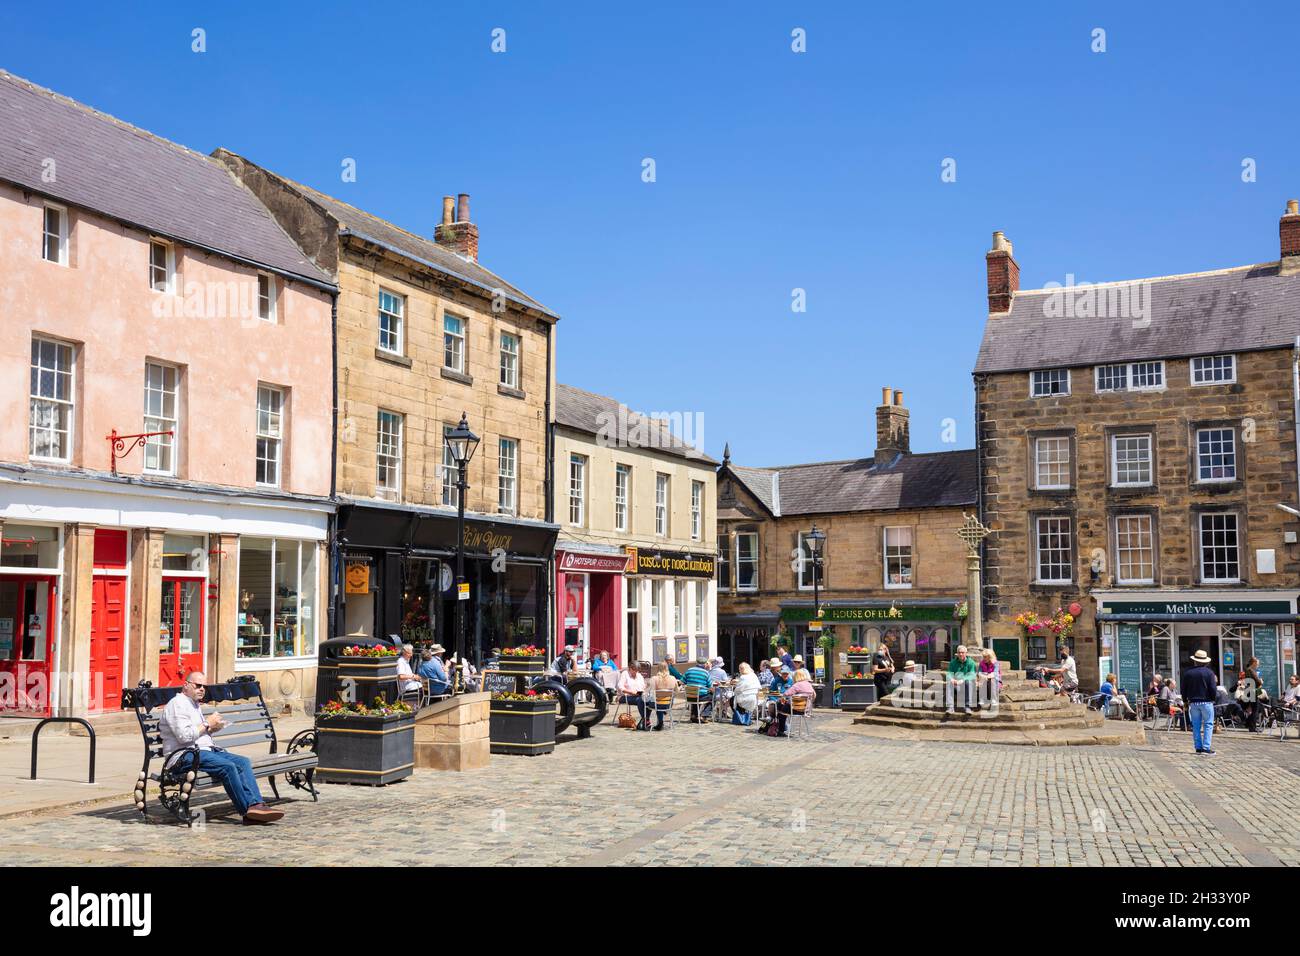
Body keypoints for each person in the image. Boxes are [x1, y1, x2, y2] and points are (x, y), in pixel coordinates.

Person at [159, 672, 283, 824]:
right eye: (198, 686)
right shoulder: (177, 704)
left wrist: (213, 728)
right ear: (186, 685)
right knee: (228, 767)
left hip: (202, 751)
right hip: (183, 756)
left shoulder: (193, 704)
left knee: (243, 762)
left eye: (204, 686)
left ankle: (256, 804)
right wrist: (207, 724)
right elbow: (184, 737)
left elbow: (198, 732)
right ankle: (247, 812)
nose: (202, 689)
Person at [1183, 649, 1218, 754]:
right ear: (1206, 662)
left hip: (1193, 703)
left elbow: (1183, 689)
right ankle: (1206, 748)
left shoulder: (1188, 673)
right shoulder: (1209, 673)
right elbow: (1213, 688)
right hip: (1206, 702)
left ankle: (1198, 747)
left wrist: (1185, 701)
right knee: (1208, 724)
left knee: (1196, 725)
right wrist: (1213, 698)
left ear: (1195, 661)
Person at [945, 645, 978, 715]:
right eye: (959, 652)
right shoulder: (953, 662)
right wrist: (951, 679)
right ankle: (950, 707)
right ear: (957, 653)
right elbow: (949, 673)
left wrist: (963, 680)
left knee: (968, 682)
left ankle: (967, 707)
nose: (961, 654)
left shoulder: (971, 662)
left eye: (963, 652)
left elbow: (972, 674)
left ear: (966, 653)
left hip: (966, 685)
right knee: (949, 683)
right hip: (956, 684)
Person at [617, 662, 650, 730]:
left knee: (649, 699)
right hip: (625, 696)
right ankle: (646, 720)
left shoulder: (639, 675)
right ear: (630, 669)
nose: (636, 672)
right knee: (640, 700)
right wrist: (631, 692)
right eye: (634, 670)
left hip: (638, 695)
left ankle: (645, 720)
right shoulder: (625, 674)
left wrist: (645, 689)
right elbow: (620, 686)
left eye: (637, 670)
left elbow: (643, 686)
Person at [647, 662, 679, 731]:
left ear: (658, 668)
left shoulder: (654, 678)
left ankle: (647, 721)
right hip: (668, 705)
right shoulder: (673, 678)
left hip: (657, 704)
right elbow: (677, 691)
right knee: (662, 701)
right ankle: (660, 721)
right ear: (667, 668)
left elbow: (650, 691)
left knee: (647, 701)